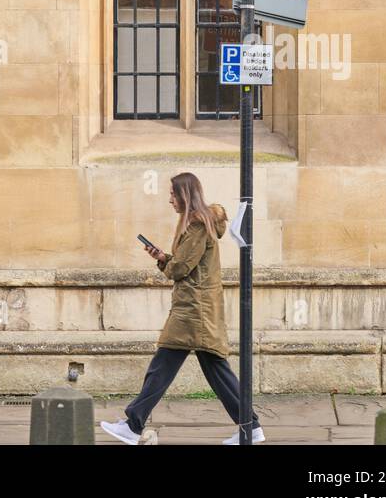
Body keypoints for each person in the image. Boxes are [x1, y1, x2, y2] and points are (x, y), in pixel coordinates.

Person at [101, 172, 264, 446]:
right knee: (214, 371)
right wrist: (164, 257)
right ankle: (251, 427)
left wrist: (166, 262)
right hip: (195, 309)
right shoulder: (198, 225)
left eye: (173, 195)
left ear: (185, 196)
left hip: (193, 311)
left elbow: (181, 269)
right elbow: (187, 263)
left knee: (162, 367)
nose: (170, 200)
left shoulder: (199, 226)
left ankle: (133, 424)